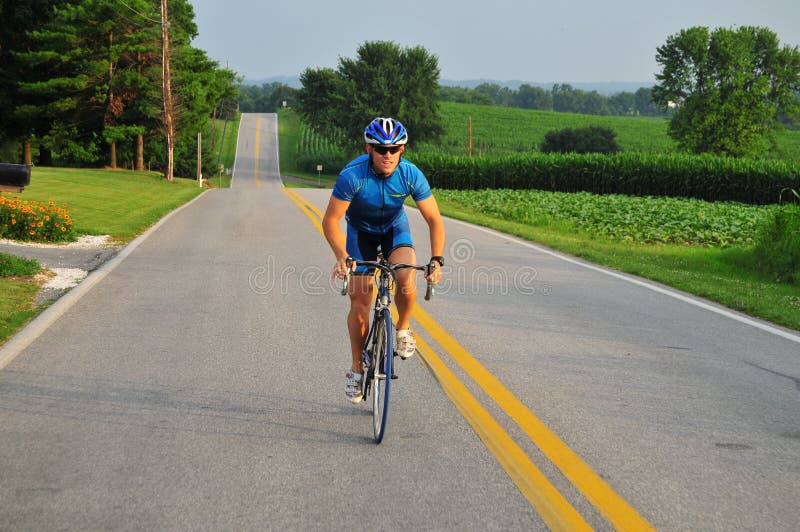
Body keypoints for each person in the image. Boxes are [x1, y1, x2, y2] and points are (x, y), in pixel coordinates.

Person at [322, 117, 446, 404]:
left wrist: (437, 260)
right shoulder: (352, 175)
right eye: (380, 149)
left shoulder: (410, 174)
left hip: (394, 229)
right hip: (360, 233)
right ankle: (356, 369)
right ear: (369, 149)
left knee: (405, 276)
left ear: (402, 149)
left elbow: (434, 219)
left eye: (393, 149)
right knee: (360, 304)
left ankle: (402, 328)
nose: (387, 155)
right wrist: (342, 257)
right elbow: (331, 220)